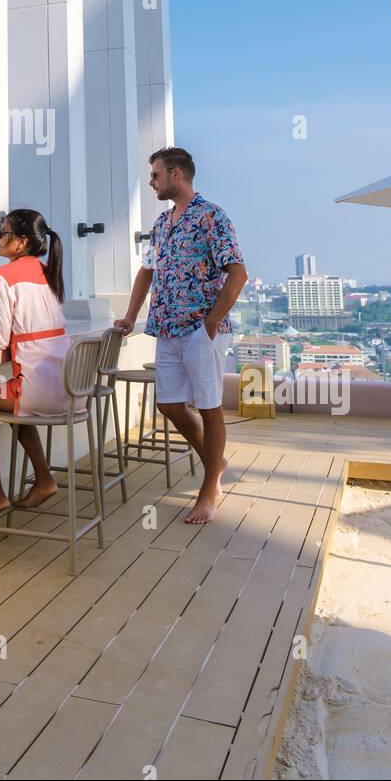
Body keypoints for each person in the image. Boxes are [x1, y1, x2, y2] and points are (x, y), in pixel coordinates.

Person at [115, 147, 247, 525]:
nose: (151, 182)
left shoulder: (212, 216)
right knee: (169, 405)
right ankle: (214, 460)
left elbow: (238, 274)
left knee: (209, 407)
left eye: (155, 175)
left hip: (201, 330)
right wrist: (129, 316)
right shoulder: (161, 223)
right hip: (166, 329)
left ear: (176, 174)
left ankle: (209, 492)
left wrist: (210, 324)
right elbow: (147, 272)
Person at [0, 209, 69, 522]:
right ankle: (43, 479)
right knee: (15, 405)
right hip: (69, 387)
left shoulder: (2, 276)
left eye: (3, 232)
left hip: (37, 388)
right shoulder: (49, 271)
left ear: (19, 243)